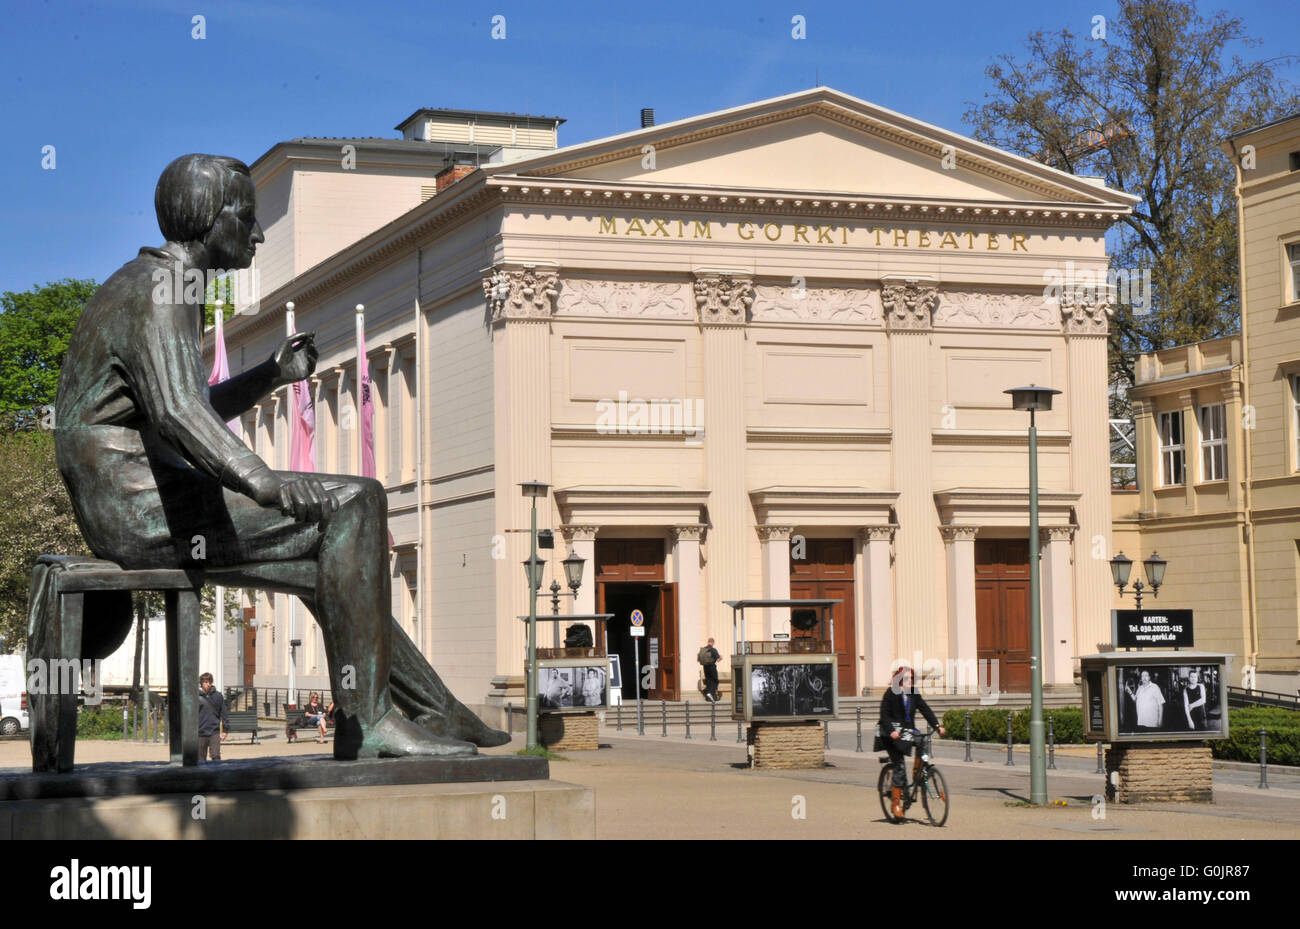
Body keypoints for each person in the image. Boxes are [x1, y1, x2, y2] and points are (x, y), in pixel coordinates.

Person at [53, 154, 507, 759]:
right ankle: (373, 719)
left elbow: (186, 402)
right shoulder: (161, 290)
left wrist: (271, 375)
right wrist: (264, 483)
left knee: (334, 565)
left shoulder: (162, 283)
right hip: (135, 503)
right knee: (359, 501)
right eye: (246, 217)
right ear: (210, 220)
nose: (259, 233)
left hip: (142, 493)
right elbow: (179, 415)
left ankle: (432, 708)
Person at [877, 666, 944, 819]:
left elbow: (925, 710)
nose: (910, 681)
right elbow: (884, 715)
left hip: (908, 731)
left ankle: (917, 773)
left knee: (922, 741)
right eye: (907, 678)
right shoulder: (891, 693)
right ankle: (895, 804)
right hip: (891, 733)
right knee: (899, 766)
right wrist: (891, 731)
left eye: (912, 678)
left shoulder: (914, 693)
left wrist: (937, 726)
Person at [198, 672, 229, 762]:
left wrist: (225, 730)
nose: (208, 684)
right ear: (201, 683)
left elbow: (224, 713)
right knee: (200, 760)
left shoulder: (218, 696)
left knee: (216, 757)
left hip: (214, 732)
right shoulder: (196, 696)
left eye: (209, 681)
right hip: (200, 732)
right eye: (205, 682)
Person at [698, 638, 721, 702]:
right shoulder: (713, 650)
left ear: (708, 642)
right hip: (712, 667)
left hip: (705, 667)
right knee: (715, 680)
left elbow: (699, 659)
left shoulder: (703, 650)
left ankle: (708, 694)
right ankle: (710, 693)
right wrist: (720, 657)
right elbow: (718, 659)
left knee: (708, 680)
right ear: (713, 642)